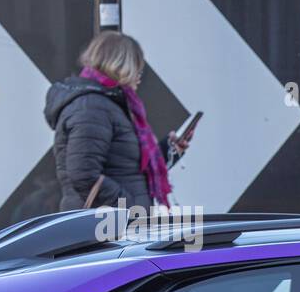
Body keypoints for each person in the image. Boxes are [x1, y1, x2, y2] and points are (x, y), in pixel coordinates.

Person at [44, 31, 190, 211]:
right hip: (102, 229)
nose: (139, 77)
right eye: (138, 69)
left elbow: (126, 168)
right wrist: (129, 207)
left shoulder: (108, 103)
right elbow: (84, 175)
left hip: (115, 226)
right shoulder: (92, 106)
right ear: (121, 65)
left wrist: (169, 150)